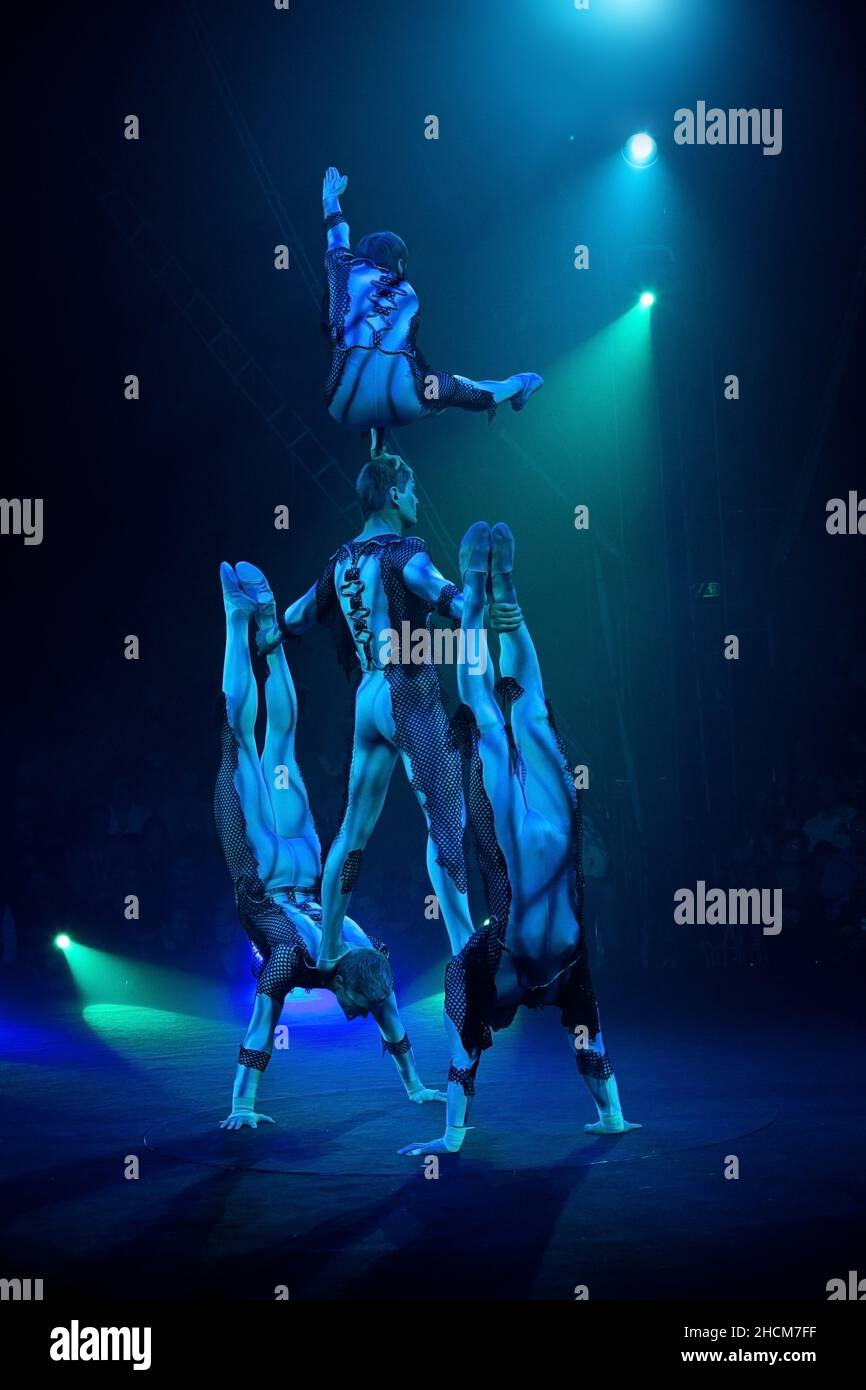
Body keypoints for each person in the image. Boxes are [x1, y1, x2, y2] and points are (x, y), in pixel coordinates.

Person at [399, 523, 639, 1156]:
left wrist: (452, 1133)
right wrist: (611, 1116)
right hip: (546, 854)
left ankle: (489, 590)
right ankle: (495, 588)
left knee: (503, 712)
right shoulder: (559, 973)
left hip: (531, 854)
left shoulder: (492, 967)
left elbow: (467, 1048)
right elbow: (591, 1042)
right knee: (521, 709)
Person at [257, 455, 522, 973]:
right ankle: (465, 951)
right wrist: (483, 607)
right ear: (394, 495)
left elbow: (298, 615)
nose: (418, 498)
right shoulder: (406, 551)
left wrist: (268, 635)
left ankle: (329, 946)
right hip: (409, 691)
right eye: (413, 488)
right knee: (446, 822)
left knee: (352, 830)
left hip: (368, 696)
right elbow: (439, 591)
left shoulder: (342, 561)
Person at [216, 561, 444, 1131]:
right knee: (243, 743)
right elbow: (261, 1024)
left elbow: (387, 1014)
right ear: (339, 982)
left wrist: (416, 1085)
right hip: (265, 873)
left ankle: (265, 624)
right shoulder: (303, 962)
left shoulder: (369, 960)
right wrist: (243, 1103)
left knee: (275, 744)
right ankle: (240, 616)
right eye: (352, 1007)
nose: (350, 1016)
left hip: (298, 867)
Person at [321, 166, 543, 452]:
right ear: (400, 265)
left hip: (342, 404)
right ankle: (519, 384)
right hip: (401, 400)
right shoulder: (408, 293)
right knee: (450, 385)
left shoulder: (342, 268)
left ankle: (377, 430)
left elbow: (337, 235)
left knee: (350, 339)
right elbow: (407, 355)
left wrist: (330, 199)